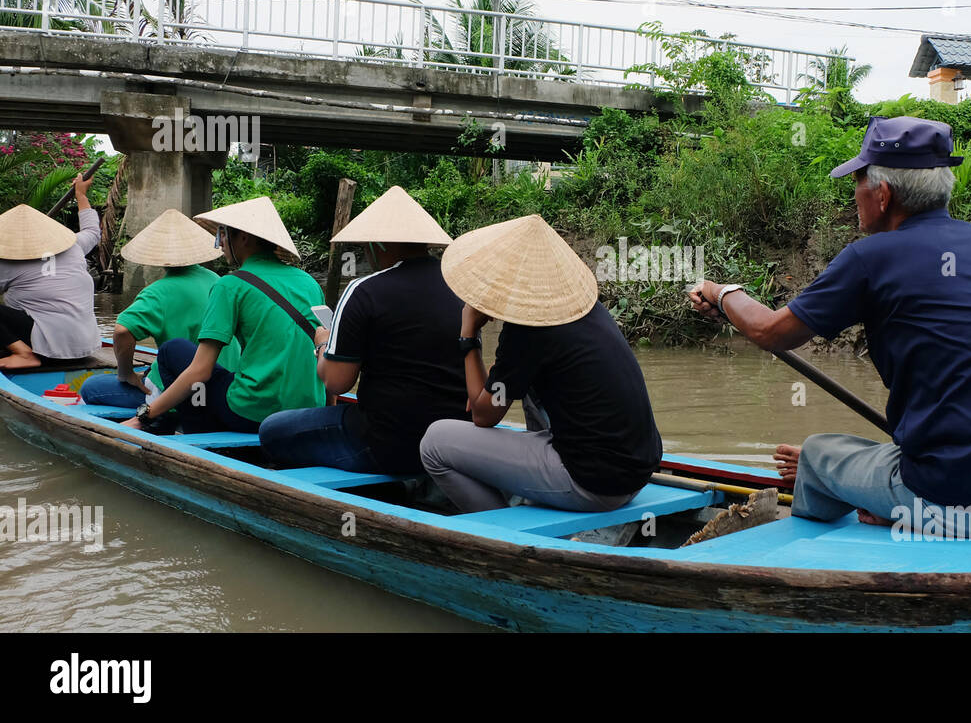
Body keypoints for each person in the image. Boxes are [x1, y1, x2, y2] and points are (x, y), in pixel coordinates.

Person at [688, 116, 971, 538]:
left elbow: (771, 332)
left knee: (817, 452)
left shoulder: (871, 258)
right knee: (911, 451)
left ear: (882, 194)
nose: (855, 195)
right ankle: (895, 503)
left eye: (858, 182)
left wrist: (721, 293)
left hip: (956, 506)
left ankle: (810, 550)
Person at [420, 214, 662, 513]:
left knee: (434, 442)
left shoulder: (527, 330)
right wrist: (487, 395)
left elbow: (483, 415)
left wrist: (468, 333)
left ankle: (500, 530)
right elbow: (491, 398)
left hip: (593, 483)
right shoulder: (584, 309)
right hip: (635, 474)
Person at [259, 187, 470, 474]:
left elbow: (337, 383)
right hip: (452, 440)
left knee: (272, 429)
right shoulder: (461, 287)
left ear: (378, 244)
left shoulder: (363, 290)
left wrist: (323, 344)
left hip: (386, 443)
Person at [121, 197, 324, 435]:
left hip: (252, 413)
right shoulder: (310, 283)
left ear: (244, 238)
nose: (221, 244)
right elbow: (326, 351)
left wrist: (144, 416)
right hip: (309, 410)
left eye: (224, 235)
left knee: (171, 350)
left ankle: (199, 435)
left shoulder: (231, 285)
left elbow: (200, 371)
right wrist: (325, 414)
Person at [81, 209, 241, 409]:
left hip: (181, 389)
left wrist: (126, 374)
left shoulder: (158, 292)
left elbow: (122, 330)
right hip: (224, 381)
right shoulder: (215, 279)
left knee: (90, 388)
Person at [0, 176, 100, 370]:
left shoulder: (7, 262)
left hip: (44, 346)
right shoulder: (75, 246)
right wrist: (81, 195)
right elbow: (93, 231)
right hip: (85, 345)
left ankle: (23, 354)